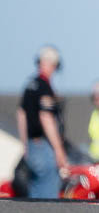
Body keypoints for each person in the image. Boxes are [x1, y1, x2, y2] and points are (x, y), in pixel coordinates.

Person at [17, 45, 69, 199]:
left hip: (32, 146)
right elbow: (46, 118)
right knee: (48, 196)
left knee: (35, 193)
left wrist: (25, 144)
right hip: (43, 147)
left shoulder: (29, 85)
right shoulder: (44, 86)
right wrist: (59, 150)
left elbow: (21, 115)